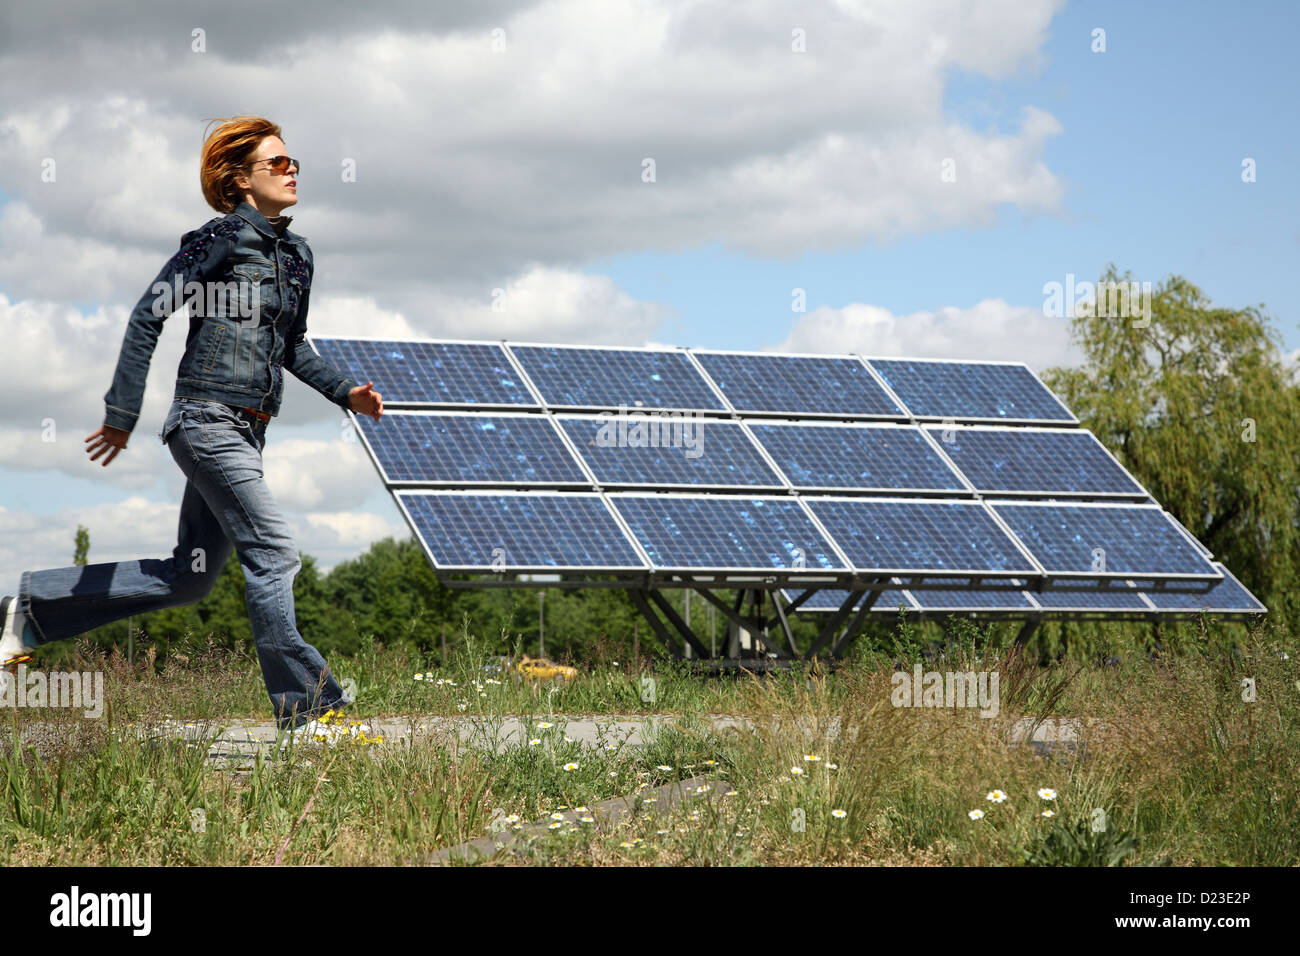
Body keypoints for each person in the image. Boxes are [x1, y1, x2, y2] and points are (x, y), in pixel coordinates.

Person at [0, 116, 383, 731]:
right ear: (238, 179)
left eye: (294, 163)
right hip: (205, 420)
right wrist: (122, 413)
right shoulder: (221, 238)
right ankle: (311, 711)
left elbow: (293, 346)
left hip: (248, 431)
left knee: (189, 579)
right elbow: (148, 314)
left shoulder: (300, 255)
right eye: (277, 163)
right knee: (276, 551)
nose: (291, 172)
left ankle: (32, 608)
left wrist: (347, 393)